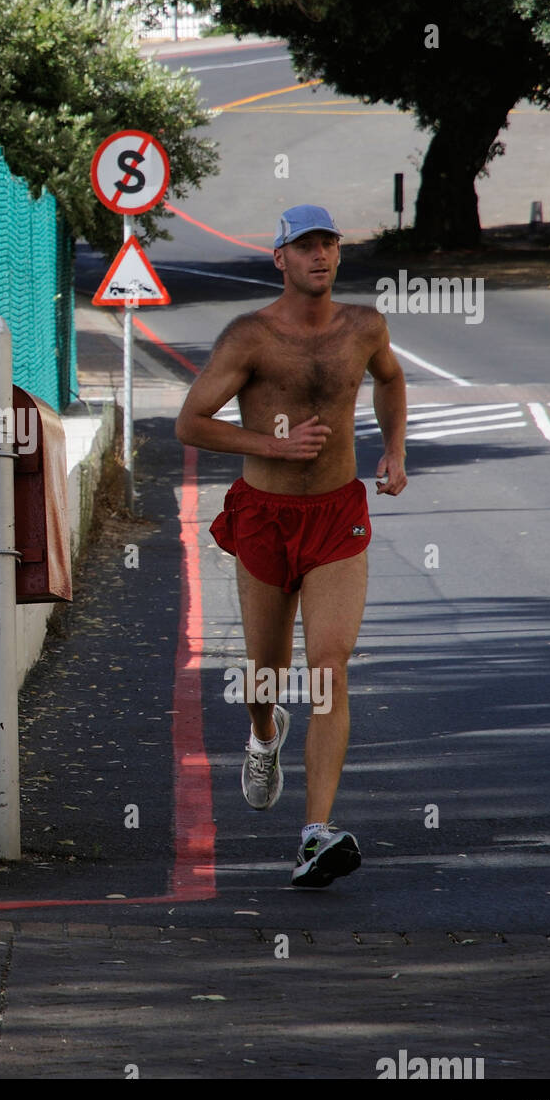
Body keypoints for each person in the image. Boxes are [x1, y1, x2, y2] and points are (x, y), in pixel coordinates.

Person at [174, 204, 408, 887]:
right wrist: (271, 446)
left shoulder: (364, 326)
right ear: (278, 257)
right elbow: (191, 422)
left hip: (336, 516)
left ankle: (314, 832)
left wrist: (393, 449)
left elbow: (389, 378)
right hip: (265, 517)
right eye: (304, 246)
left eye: (328, 244)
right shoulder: (250, 338)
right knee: (265, 673)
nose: (320, 256)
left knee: (328, 667)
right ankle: (262, 734)